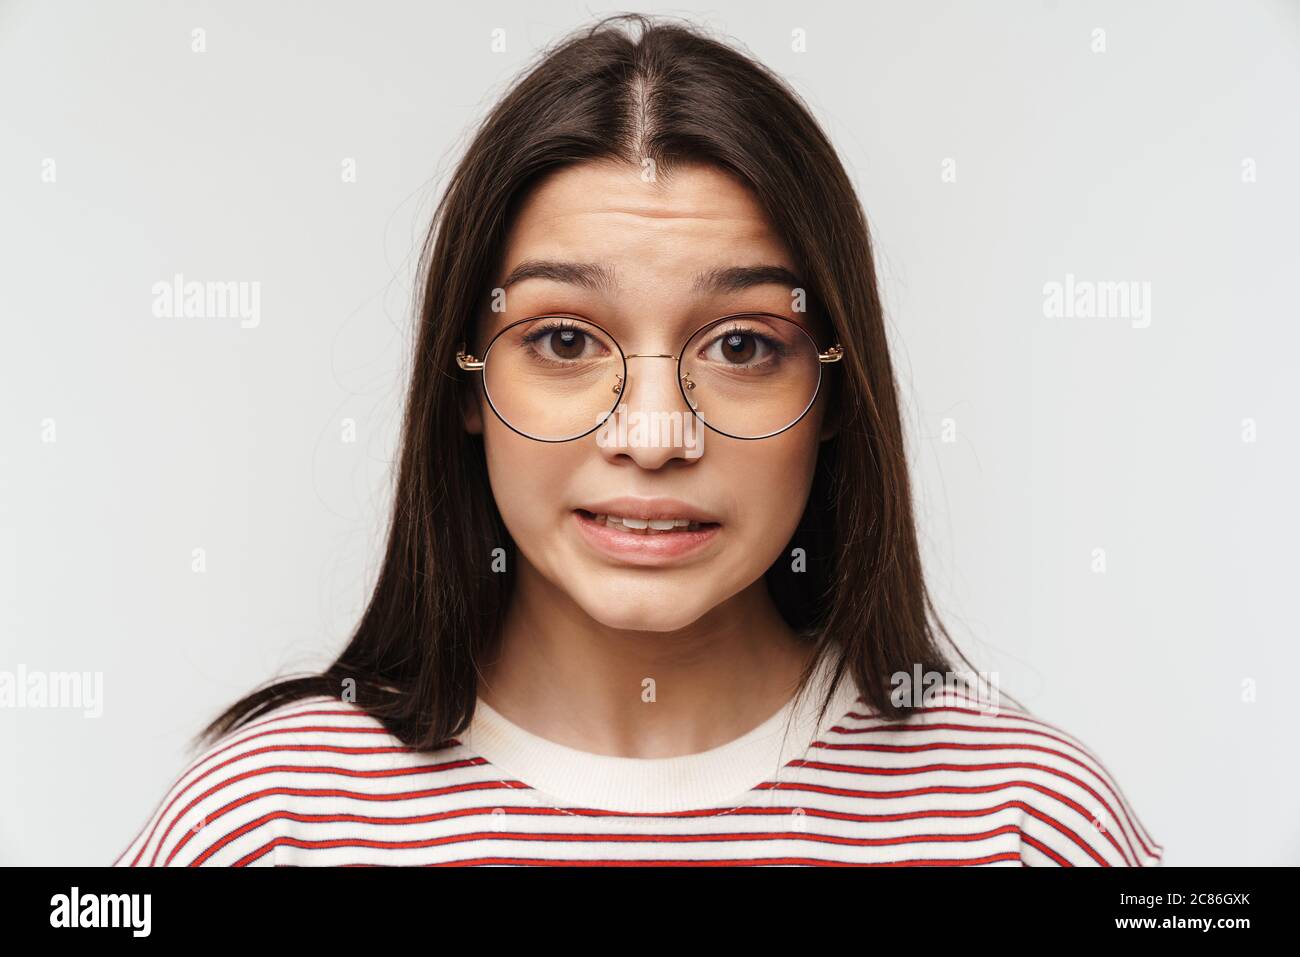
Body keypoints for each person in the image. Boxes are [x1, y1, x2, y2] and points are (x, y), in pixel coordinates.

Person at [114, 14, 1162, 867]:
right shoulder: (267, 825)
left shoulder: (1024, 826)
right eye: (563, 338)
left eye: (745, 344)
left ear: (838, 392)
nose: (654, 434)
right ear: (465, 383)